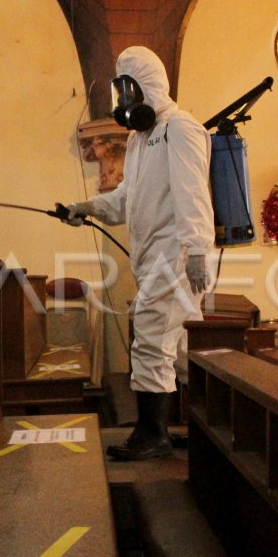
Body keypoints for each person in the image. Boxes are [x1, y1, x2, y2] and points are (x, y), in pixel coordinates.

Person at [60, 46, 213, 460]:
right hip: (151, 258)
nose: (123, 102)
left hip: (176, 255)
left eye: (129, 91)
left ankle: (151, 433)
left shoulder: (180, 127)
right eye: (120, 92)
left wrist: (198, 251)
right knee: (180, 349)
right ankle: (206, 429)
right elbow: (127, 197)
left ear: (149, 87)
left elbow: (193, 194)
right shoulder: (140, 138)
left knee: (149, 339)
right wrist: (86, 207)